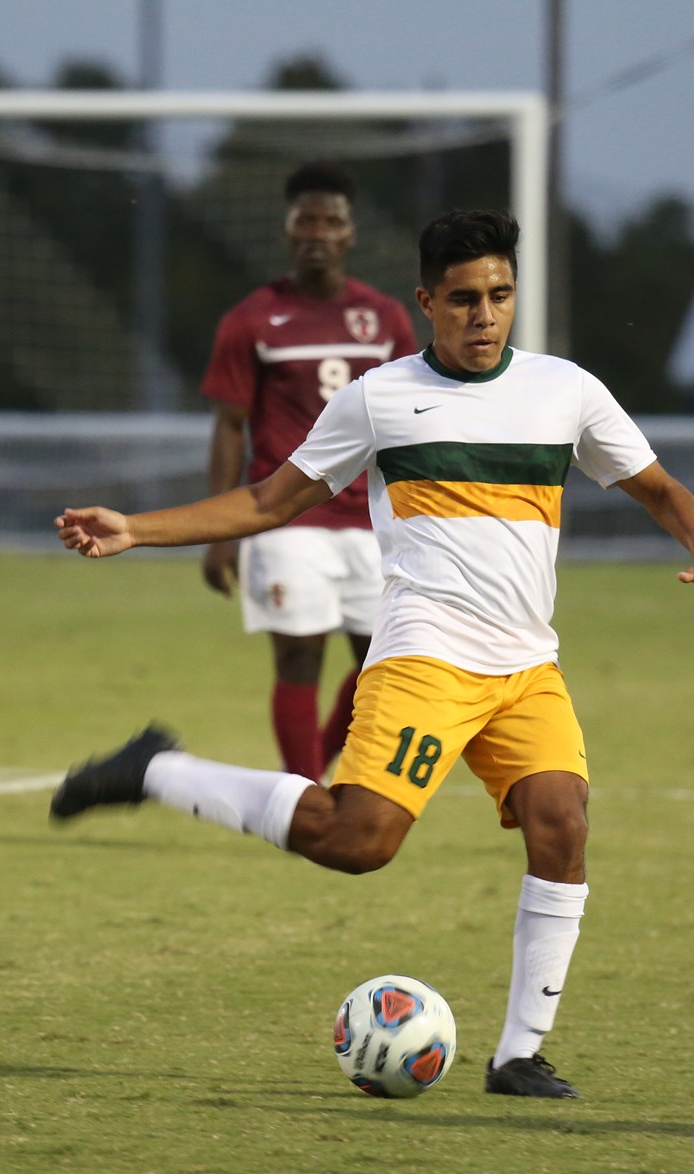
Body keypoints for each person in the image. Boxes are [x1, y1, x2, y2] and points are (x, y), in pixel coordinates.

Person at [51, 210, 694, 1100]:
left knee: (562, 821)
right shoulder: (380, 398)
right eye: (463, 300)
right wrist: (136, 529)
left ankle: (517, 1054)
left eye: (499, 295)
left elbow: (657, 484)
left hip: (527, 665)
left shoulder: (565, 389)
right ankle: (155, 771)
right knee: (357, 841)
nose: (484, 315)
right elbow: (269, 501)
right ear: (427, 302)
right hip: (426, 657)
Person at [199, 162, 417, 781]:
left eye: (332, 221)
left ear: (351, 234)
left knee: (386, 662)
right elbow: (229, 426)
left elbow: (409, 422)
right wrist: (220, 533)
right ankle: (302, 800)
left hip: (371, 518)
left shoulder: (385, 321)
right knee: (298, 658)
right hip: (285, 515)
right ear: (287, 231)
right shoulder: (252, 319)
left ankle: (309, 778)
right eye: (306, 220)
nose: (318, 232)